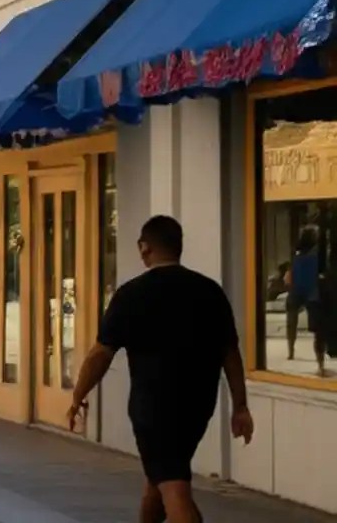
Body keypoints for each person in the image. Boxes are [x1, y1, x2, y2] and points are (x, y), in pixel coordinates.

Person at [69, 215, 253, 523]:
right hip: (197, 407)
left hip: (153, 409)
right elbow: (230, 353)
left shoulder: (131, 295)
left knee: (175, 493)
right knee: (160, 480)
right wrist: (241, 406)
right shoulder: (210, 292)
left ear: (144, 248)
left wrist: (78, 395)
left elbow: (100, 354)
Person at [285, 227, 325, 374]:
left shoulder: (297, 254)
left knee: (292, 320)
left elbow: (291, 272)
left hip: (299, 289)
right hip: (311, 291)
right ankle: (320, 363)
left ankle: (291, 351)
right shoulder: (317, 255)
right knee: (318, 329)